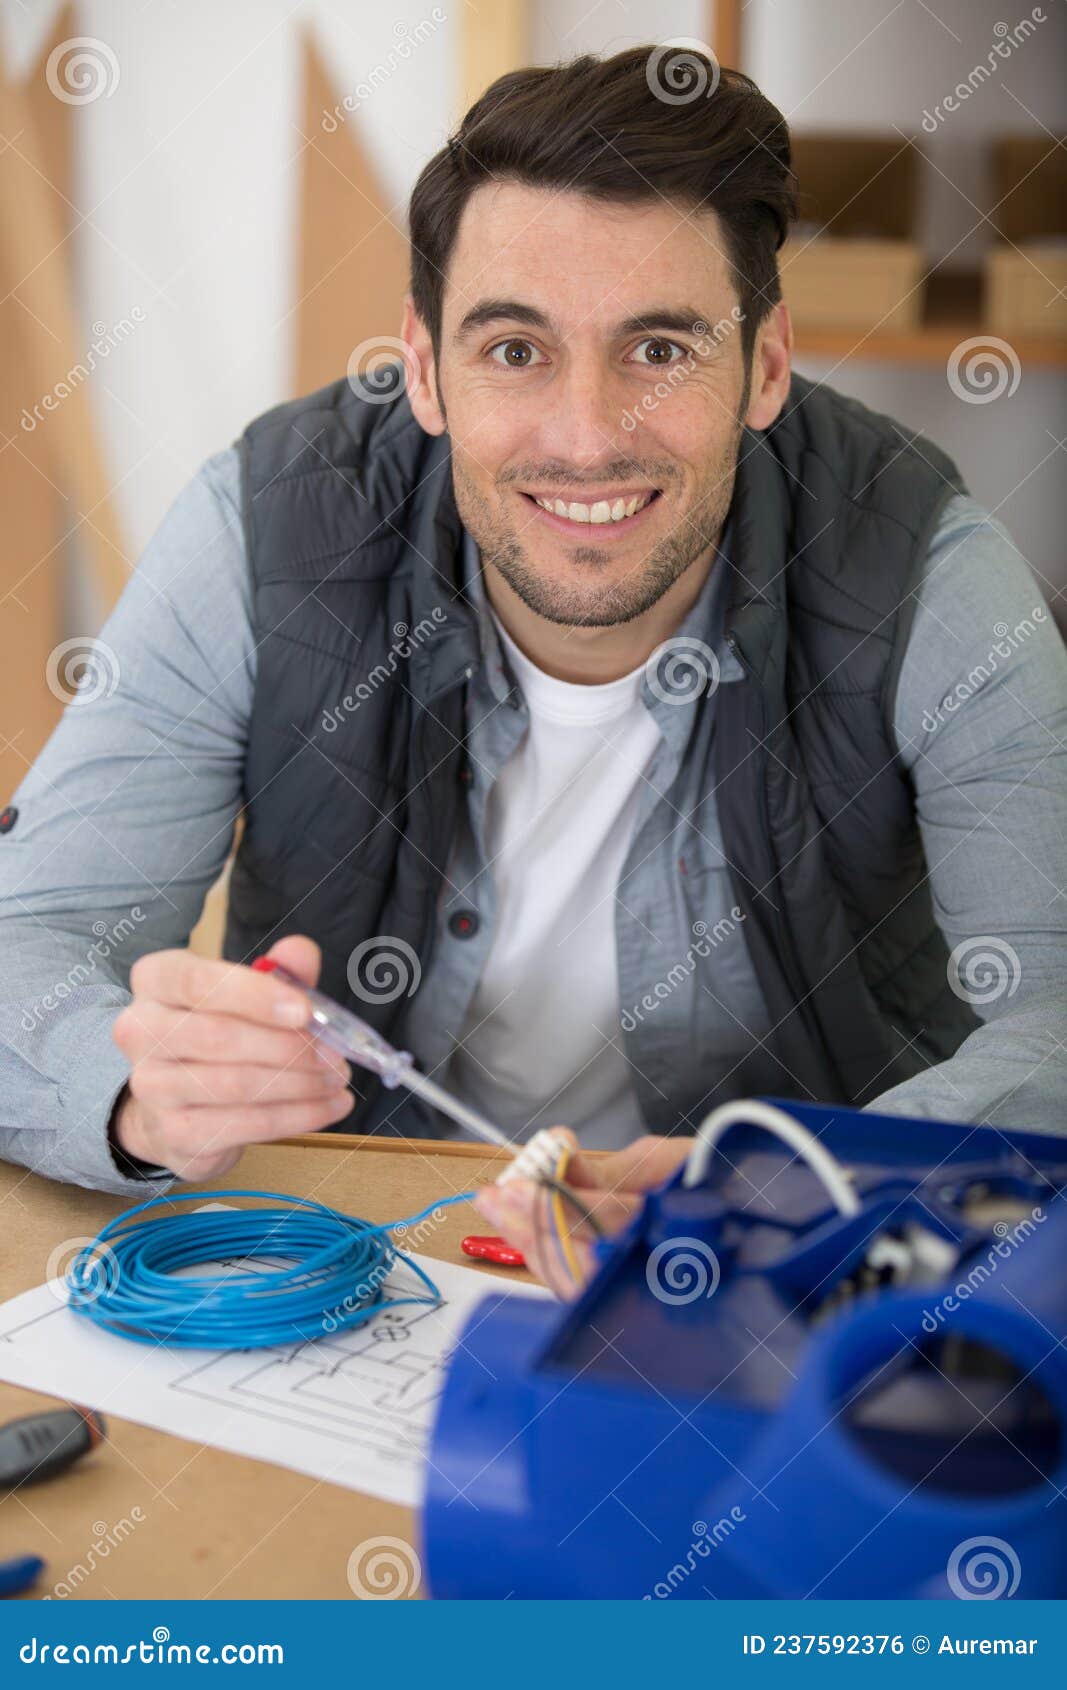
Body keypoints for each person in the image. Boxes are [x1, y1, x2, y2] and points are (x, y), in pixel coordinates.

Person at [1, 50, 1064, 1231]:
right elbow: (29, 935)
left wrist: (789, 1185)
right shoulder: (263, 528)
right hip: (348, 1267)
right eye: (514, 350)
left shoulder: (924, 563)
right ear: (423, 366)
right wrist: (135, 1100)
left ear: (763, 365)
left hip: (771, 1289)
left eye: (659, 349)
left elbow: (1056, 1017)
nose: (585, 437)